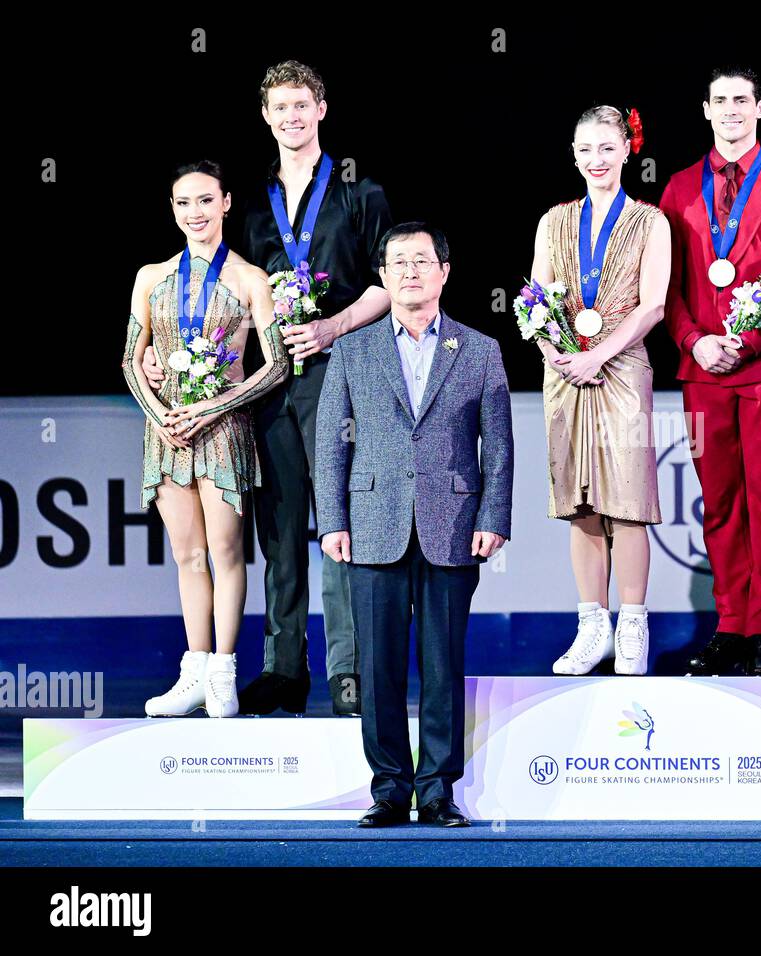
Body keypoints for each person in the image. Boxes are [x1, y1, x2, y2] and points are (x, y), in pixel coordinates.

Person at [143, 60, 394, 716]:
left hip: (340, 378)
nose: (291, 117)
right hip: (268, 390)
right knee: (278, 534)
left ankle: (349, 669)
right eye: (279, 107)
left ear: (321, 109)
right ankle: (284, 670)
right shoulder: (250, 203)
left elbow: (388, 282)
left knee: (339, 525)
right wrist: (160, 361)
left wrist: (334, 326)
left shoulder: (358, 192)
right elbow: (210, 289)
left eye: (301, 105)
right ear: (265, 116)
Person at [315, 222, 513, 827]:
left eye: (421, 261)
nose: (409, 271)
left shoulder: (479, 349)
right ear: (382, 275)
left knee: (443, 663)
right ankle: (388, 789)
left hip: (453, 525)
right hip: (372, 523)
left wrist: (493, 515)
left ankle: (436, 791)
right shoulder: (352, 350)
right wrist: (332, 521)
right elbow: (330, 443)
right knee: (376, 667)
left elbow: (498, 444)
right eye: (397, 262)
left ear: (444, 271)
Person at [659, 66, 761, 676]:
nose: (731, 110)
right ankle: (730, 624)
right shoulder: (677, 188)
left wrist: (745, 342)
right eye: (720, 100)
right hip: (702, 372)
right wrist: (694, 340)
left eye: (741, 100)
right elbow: (665, 285)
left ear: (760, 108)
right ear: (705, 110)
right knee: (719, 501)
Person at [123, 160, 289, 717]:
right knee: (187, 554)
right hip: (167, 428)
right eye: (183, 203)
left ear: (226, 203)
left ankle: (223, 671)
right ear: (172, 210)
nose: (194, 213)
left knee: (224, 551)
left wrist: (212, 408)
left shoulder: (249, 279)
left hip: (223, 427)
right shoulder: (150, 277)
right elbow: (129, 359)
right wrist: (163, 412)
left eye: (204, 201)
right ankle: (192, 670)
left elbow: (277, 367)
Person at [528, 105, 671, 676]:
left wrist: (598, 356)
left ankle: (633, 626)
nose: (596, 160)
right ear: (574, 154)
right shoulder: (553, 220)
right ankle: (592, 628)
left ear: (627, 150)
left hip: (621, 368)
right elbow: (534, 299)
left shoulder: (651, 221)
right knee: (581, 507)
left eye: (607, 148)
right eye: (586, 149)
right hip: (564, 371)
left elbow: (654, 304)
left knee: (627, 506)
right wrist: (556, 355)